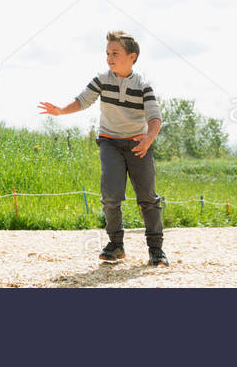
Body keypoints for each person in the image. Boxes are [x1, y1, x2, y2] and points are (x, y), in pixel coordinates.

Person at [38, 30, 167, 267]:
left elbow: (154, 116)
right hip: (110, 141)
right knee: (110, 196)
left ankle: (156, 250)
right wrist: (60, 110)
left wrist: (149, 138)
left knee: (147, 197)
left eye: (115, 53)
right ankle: (116, 245)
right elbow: (83, 100)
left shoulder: (144, 85)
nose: (109, 57)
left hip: (139, 144)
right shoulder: (102, 80)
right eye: (107, 53)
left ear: (132, 56)